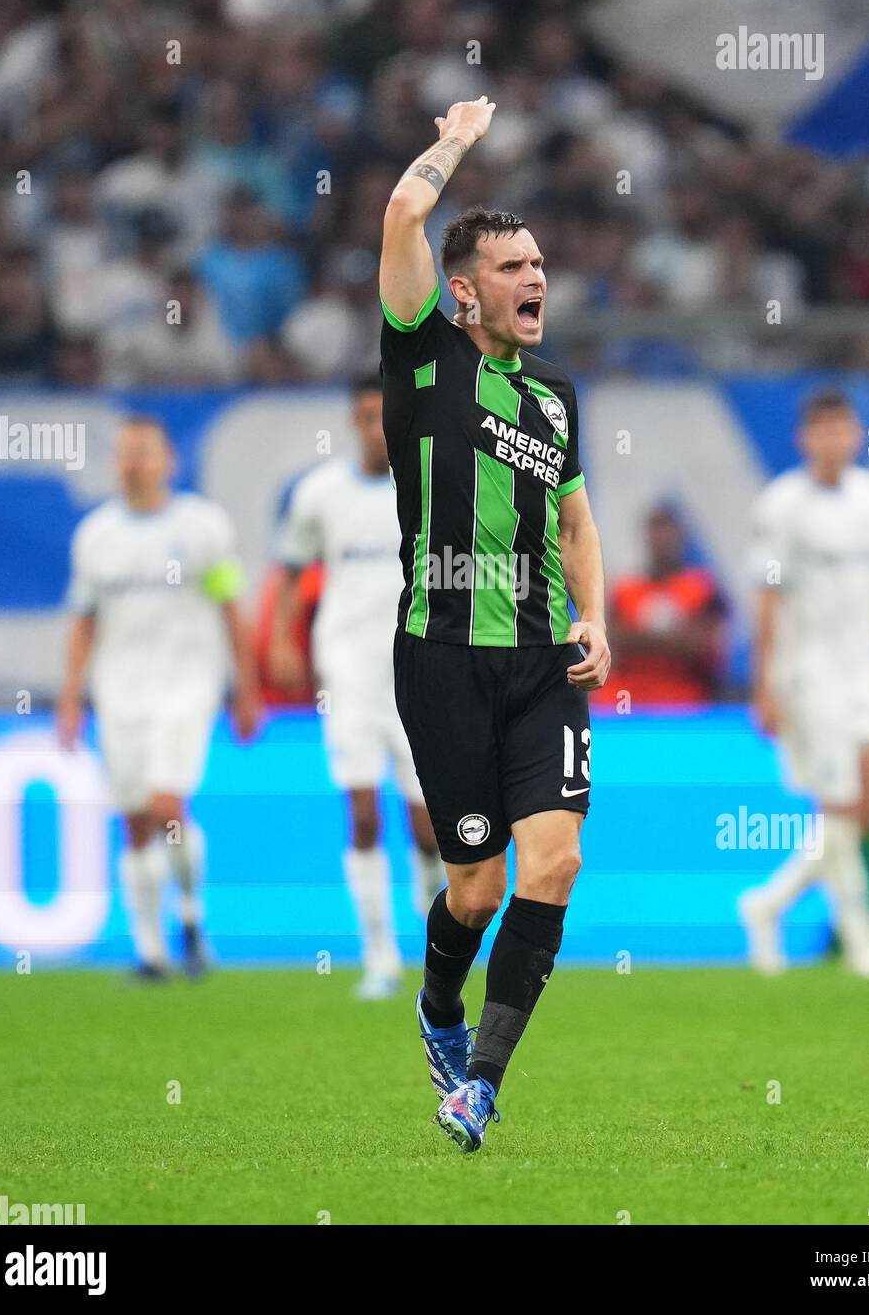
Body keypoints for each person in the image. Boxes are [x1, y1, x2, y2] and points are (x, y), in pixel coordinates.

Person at [379, 96, 610, 1151]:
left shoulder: (555, 395)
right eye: (513, 269)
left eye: (539, 266)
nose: (536, 282)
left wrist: (595, 618)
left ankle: (478, 1083)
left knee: (551, 864)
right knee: (471, 889)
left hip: (540, 663)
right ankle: (436, 1007)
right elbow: (397, 218)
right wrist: (453, 145)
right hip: (439, 661)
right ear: (464, 292)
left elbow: (572, 517)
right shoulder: (423, 353)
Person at [57, 416, 262, 977]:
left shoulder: (202, 527)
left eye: (144, 451)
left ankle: (192, 918)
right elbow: (84, 622)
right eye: (125, 453)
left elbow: (229, 607)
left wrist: (246, 688)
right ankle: (150, 951)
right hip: (118, 691)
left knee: (168, 807)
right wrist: (70, 698)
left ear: (168, 461)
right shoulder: (96, 536)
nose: (133, 462)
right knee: (135, 820)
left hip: (186, 685)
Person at [739, 390, 869, 978]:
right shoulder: (781, 505)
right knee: (840, 804)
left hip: (866, 672)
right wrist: (765, 683)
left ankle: (767, 903)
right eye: (821, 430)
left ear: (854, 436)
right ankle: (862, 938)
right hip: (810, 675)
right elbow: (767, 597)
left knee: (867, 812)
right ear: (805, 439)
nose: (833, 440)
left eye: (842, 429)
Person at [268, 380, 443, 1001]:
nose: (377, 428)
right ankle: (378, 956)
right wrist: (285, 641)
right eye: (367, 417)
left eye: (386, 416)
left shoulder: (429, 485)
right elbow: (290, 572)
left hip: (418, 671)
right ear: (354, 421)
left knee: (429, 828)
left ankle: (437, 945)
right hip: (346, 672)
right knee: (364, 814)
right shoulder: (320, 494)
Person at [606, 505, 727, 705]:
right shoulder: (625, 589)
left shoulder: (702, 587)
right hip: (626, 696)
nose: (660, 540)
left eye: (666, 532)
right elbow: (613, 644)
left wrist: (638, 638)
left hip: (684, 697)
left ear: (680, 536)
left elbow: (701, 648)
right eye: (655, 532)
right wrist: (673, 639)